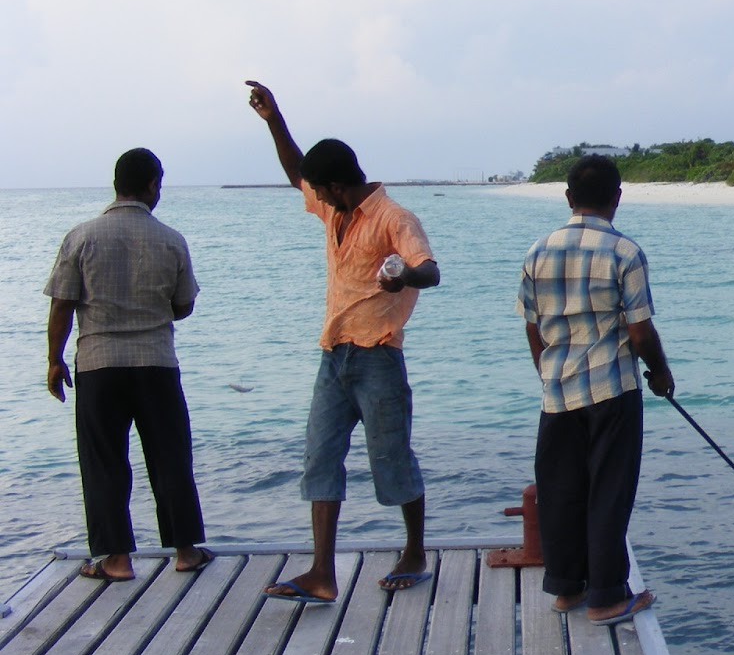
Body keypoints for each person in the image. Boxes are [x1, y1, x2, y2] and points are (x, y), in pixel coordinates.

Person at [246, 81, 439, 603]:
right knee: (319, 457)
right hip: (333, 357)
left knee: (392, 457)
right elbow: (296, 174)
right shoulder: (335, 210)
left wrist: (404, 279)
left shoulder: (394, 217)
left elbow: (430, 270)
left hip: (378, 357)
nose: (316, 197)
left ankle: (415, 551)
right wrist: (274, 119)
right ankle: (322, 572)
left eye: (320, 189)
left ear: (336, 184)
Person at [44, 148, 212, 581]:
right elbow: (183, 305)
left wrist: (54, 361)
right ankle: (186, 551)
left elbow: (62, 305)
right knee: (170, 457)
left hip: (98, 365)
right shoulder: (172, 239)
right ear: (152, 185)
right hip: (156, 363)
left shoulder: (81, 237)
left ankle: (116, 560)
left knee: (103, 462)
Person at [520, 154, 674, 625]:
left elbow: (533, 327)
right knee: (609, 490)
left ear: (568, 198)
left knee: (561, 489)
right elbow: (641, 331)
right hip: (612, 390)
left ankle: (567, 589)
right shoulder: (625, 253)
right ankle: (607, 596)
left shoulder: (537, 251)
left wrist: (547, 374)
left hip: (557, 391)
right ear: (617, 198)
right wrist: (662, 375)